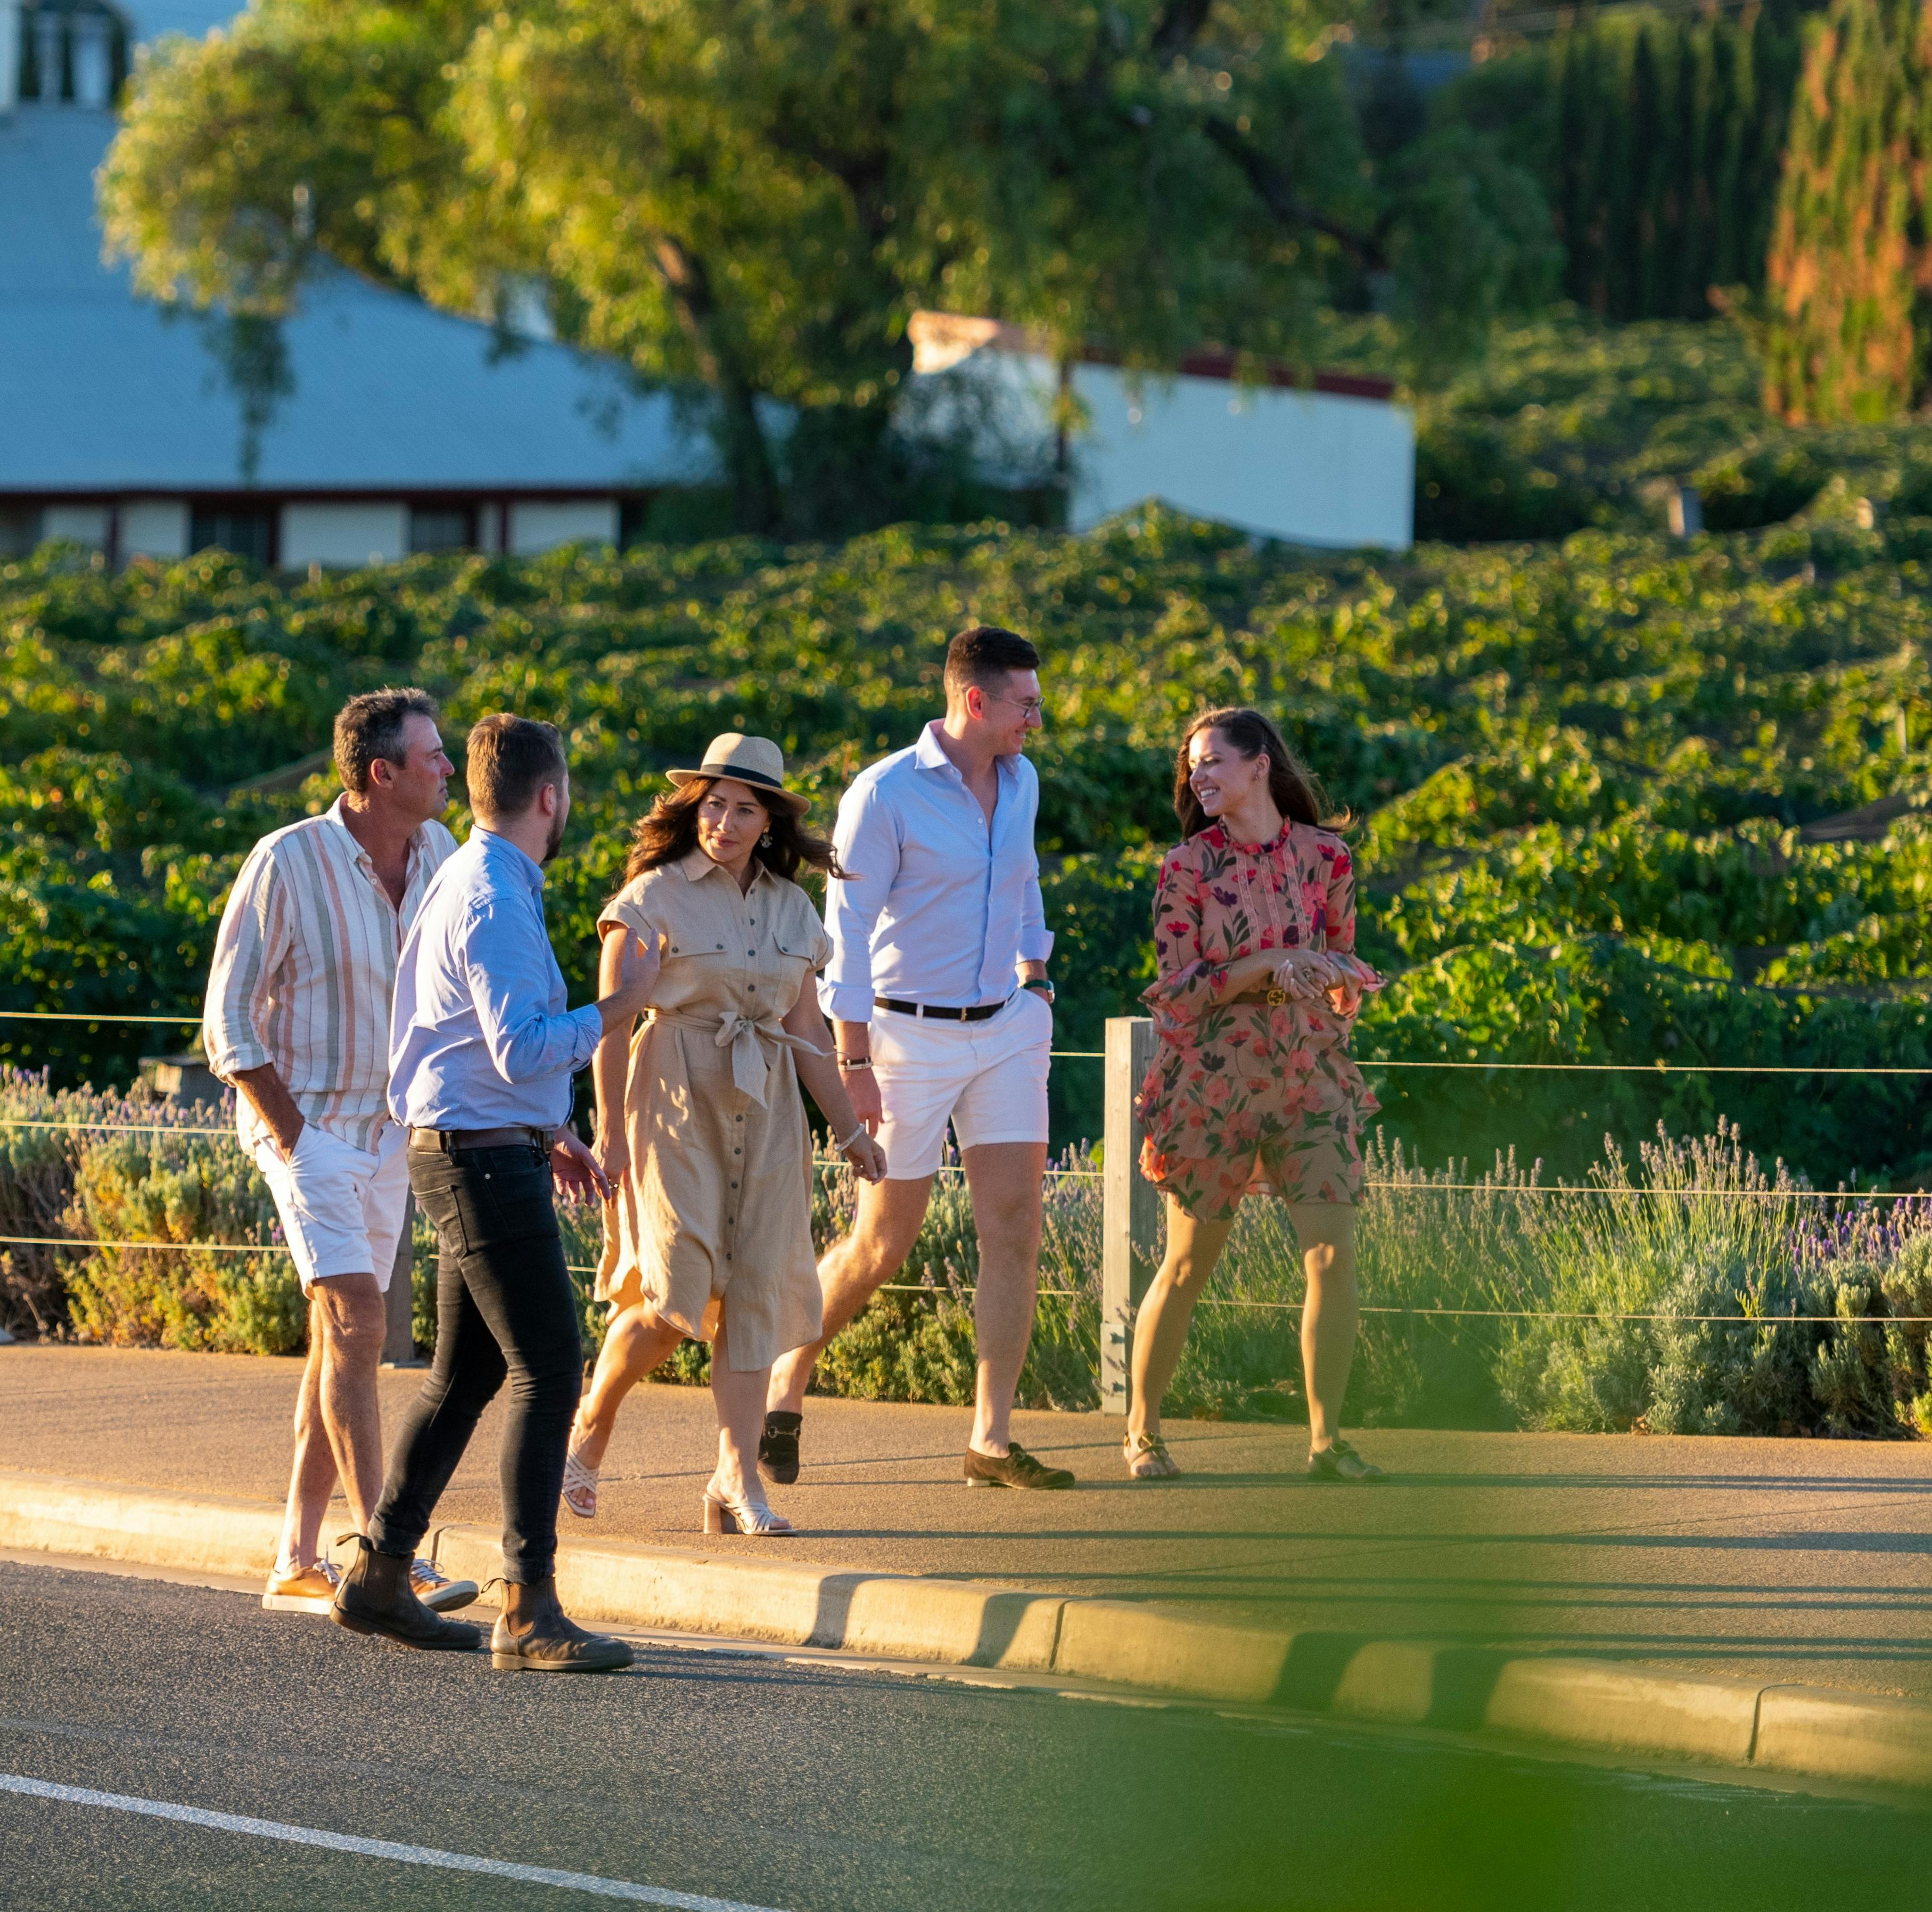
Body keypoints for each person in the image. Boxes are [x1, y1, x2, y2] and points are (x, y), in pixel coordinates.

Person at [339, 710, 655, 1670]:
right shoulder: (494, 895)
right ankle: (528, 1607)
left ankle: (381, 1576)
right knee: (551, 1365)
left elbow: (476, 1045)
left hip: (480, 1144)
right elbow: (520, 1042)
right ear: (551, 796)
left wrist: (546, 1127)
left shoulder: (470, 877)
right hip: (475, 1159)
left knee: (468, 1372)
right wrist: (619, 1007)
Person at [198, 686, 483, 1620]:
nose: (450, 767)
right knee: (361, 1322)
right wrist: (296, 1134)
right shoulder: (286, 861)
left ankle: (295, 1555)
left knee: (338, 1340)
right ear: (381, 773)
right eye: (433, 755)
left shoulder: (442, 855)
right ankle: (384, 1555)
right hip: (310, 1129)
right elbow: (227, 1020)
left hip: (393, 1134)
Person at [769, 624, 1074, 1490]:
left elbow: (1024, 877)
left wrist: (1038, 978)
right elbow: (848, 934)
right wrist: (853, 1061)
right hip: (905, 1036)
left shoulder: (1024, 782)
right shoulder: (884, 794)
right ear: (974, 700)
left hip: (1007, 1028)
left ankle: (991, 1438)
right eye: (1025, 703)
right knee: (884, 1239)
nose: (1036, 719)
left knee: (1015, 1226)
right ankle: (786, 1378)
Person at [562, 735, 885, 1538]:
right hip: (672, 1099)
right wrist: (607, 1133)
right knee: (673, 1294)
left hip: (767, 1105)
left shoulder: (791, 908)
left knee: (753, 1296)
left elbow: (807, 1031)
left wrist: (849, 1131)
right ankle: (591, 1420)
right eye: (714, 803)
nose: (727, 820)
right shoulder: (649, 896)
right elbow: (613, 1024)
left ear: (769, 819)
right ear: (692, 806)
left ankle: (736, 1479)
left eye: (745, 808)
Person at [1122, 704, 1386, 1485]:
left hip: (1310, 1072)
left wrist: (1336, 977)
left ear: (1258, 763)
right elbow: (1179, 987)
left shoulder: (1326, 857)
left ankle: (1326, 1442)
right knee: (1187, 1264)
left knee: (1334, 1257)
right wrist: (1274, 962)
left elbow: (1342, 959)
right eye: (1191, 765)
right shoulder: (1186, 867)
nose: (1196, 776)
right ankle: (1142, 1432)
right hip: (1213, 1081)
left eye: (1211, 761)